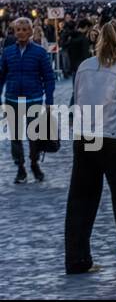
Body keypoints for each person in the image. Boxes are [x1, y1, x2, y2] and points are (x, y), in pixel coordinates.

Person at [65, 19, 116, 276]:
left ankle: (77, 259)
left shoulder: (84, 67)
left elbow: (77, 100)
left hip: (86, 137)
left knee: (80, 201)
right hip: (115, 139)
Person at [1, 17, 57, 183]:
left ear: (31, 31)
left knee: (34, 135)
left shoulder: (39, 52)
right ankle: (20, 167)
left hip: (34, 98)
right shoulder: (8, 52)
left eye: (25, 29)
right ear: (14, 32)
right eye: (19, 29)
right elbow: (1, 75)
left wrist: (50, 100)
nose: (22, 32)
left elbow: (48, 77)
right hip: (12, 99)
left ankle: (34, 163)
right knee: (15, 136)